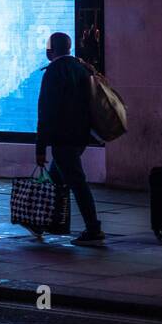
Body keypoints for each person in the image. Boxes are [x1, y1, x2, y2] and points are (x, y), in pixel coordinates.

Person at [35, 31, 104, 245]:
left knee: (76, 182)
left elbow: (46, 110)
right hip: (79, 136)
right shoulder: (81, 68)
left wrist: (40, 147)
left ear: (52, 50)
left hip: (62, 137)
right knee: (56, 179)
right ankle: (42, 222)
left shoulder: (54, 71)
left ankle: (93, 228)